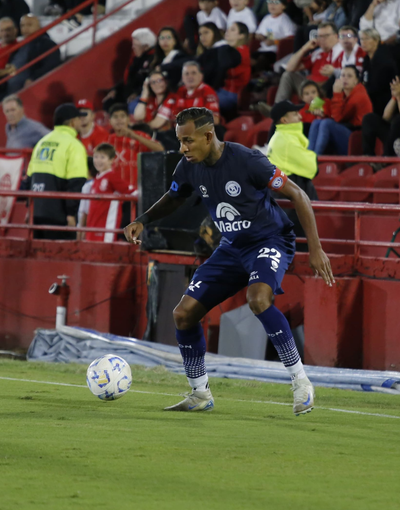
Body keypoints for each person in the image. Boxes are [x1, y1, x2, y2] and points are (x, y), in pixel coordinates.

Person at [123, 106, 334, 414]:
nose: (182, 148)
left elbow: (298, 195)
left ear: (208, 136)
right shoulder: (188, 166)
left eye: (188, 141)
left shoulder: (247, 160)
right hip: (231, 246)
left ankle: (301, 383)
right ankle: (200, 393)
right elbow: (174, 196)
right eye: (180, 141)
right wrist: (143, 219)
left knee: (259, 299)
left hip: (269, 240)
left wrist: (315, 249)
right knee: (183, 314)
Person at [26, 103, 90, 238]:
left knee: (38, 254)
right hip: (59, 216)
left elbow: (29, 179)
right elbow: (76, 183)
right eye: (79, 118)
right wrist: (71, 214)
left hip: (36, 212)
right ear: (73, 122)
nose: (81, 121)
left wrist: (29, 207)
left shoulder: (41, 143)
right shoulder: (74, 145)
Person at [267, 99, 319, 249]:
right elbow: (312, 167)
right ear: (284, 120)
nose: (300, 117)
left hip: (282, 199)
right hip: (289, 203)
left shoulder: (280, 137)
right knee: (297, 246)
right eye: (295, 114)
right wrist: (312, 157)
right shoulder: (286, 140)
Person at [362, 66, 400, 156]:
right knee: (369, 118)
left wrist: (399, 97)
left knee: (399, 119)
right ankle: (368, 157)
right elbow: (386, 117)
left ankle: (387, 159)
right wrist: (395, 96)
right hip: (395, 135)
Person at [308, 65, 370, 154]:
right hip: (348, 130)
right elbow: (337, 115)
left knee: (326, 123)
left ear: (356, 80)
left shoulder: (359, 95)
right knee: (316, 122)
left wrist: (337, 94)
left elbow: (338, 118)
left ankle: (316, 158)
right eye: (342, 75)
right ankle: (309, 156)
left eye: (349, 76)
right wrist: (323, 114)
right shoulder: (346, 93)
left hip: (358, 138)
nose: (345, 79)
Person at [277, 23, 342, 103]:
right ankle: (278, 108)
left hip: (324, 89)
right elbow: (289, 67)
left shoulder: (342, 52)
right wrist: (305, 48)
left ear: (336, 36)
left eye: (326, 36)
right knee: (288, 75)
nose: (322, 39)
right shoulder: (317, 53)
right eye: (320, 36)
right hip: (307, 85)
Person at [81, 143, 132, 243]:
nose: (98, 160)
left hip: (106, 229)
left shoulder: (112, 177)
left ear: (111, 160)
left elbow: (134, 193)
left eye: (102, 157)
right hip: (93, 227)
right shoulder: (97, 179)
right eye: (96, 157)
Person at [107, 103, 163, 191]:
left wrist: (134, 136)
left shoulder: (139, 135)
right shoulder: (107, 140)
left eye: (122, 116)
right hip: (113, 191)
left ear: (128, 119)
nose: (119, 120)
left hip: (136, 190)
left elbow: (160, 149)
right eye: (115, 117)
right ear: (109, 121)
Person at [150, 61, 221, 130]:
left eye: (193, 73)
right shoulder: (179, 91)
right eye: (186, 74)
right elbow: (167, 115)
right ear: (182, 78)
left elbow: (215, 119)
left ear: (201, 76)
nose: (190, 76)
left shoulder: (207, 91)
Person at [7, 14, 63, 94]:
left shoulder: (47, 44)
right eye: (22, 25)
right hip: (9, 89)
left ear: (39, 26)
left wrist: (33, 78)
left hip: (30, 89)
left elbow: (51, 65)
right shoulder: (19, 46)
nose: (25, 28)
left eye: (29, 25)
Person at [359, 28, 398, 115]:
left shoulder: (384, 59)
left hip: (383, 102)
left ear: (376, 40)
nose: (363, 42)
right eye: (361, 39)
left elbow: (378, 86)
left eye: (367, 39)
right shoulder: (367, 59)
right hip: (371, 97)